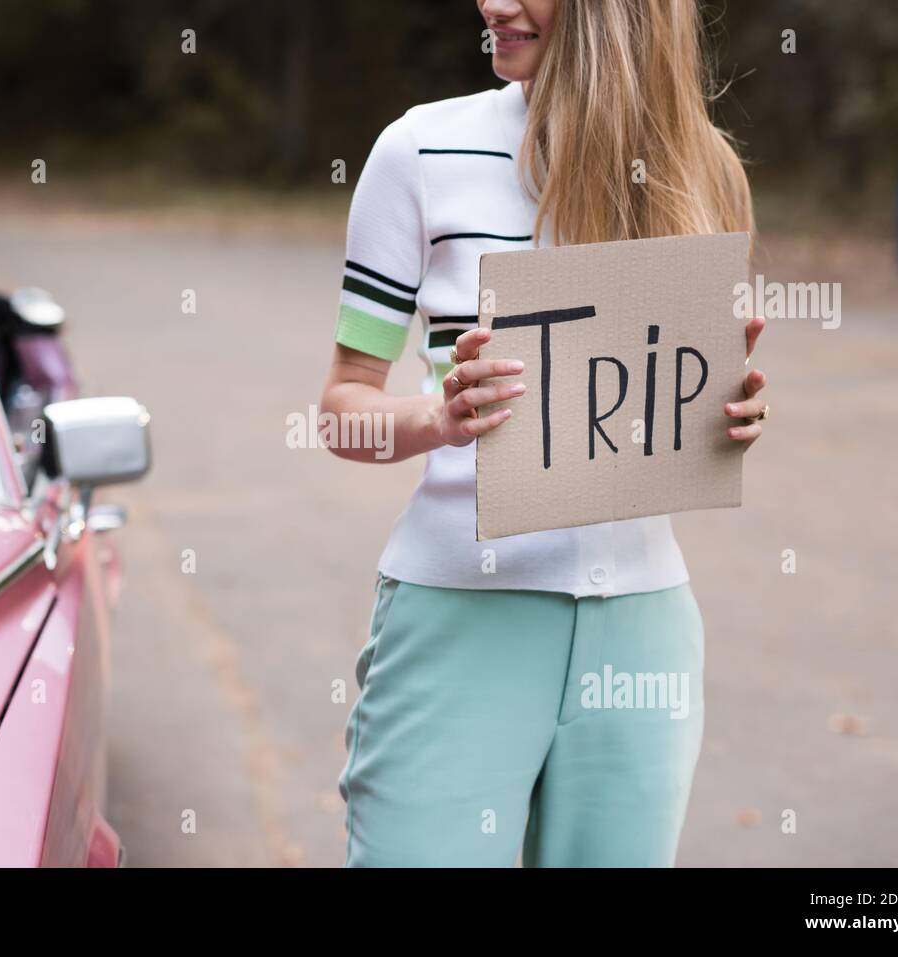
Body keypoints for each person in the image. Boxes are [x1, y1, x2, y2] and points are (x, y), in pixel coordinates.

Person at [322, 0, 769, 867]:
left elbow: (679, 402)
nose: (491, 3)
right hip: (459, 614)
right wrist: (438, 419)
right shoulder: (417, 151)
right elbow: (343, 404)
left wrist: (734, 417)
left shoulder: (705, 167)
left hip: (644, 626)